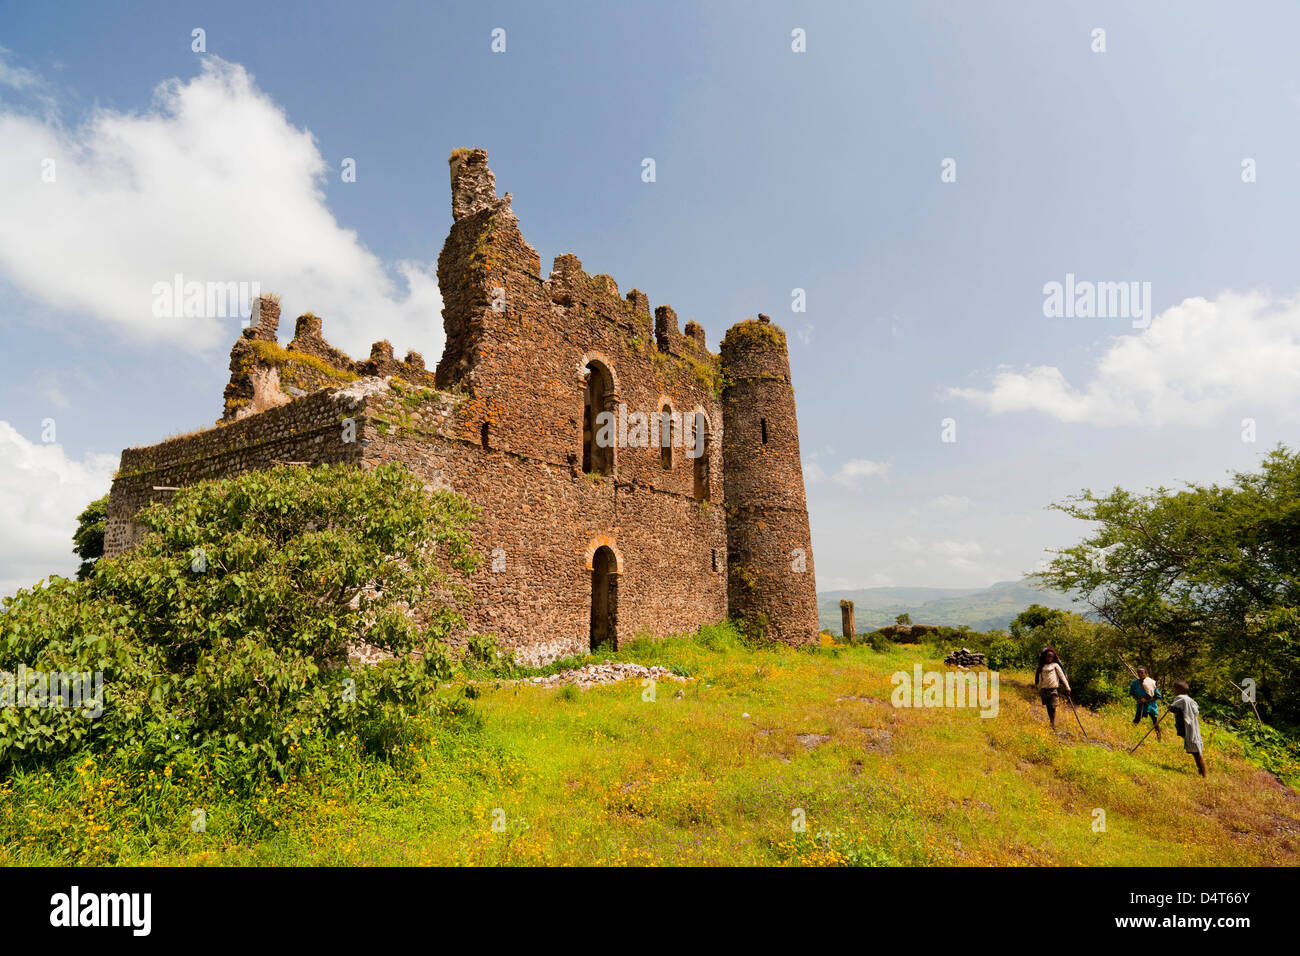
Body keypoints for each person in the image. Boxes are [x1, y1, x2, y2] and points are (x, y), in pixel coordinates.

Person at [1167, 681, 1206, 777]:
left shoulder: (1180, 698)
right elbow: (1194, 711)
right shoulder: (1190, 699)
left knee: (1196, 753)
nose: (1174, 691)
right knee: (1196, 751)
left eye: (1175, 689)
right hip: (1193, 725)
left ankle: (1203, 775)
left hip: (1187, 726)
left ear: (1179, 690)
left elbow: (1174, 708)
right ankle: (1201, 773)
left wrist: (1170, 708)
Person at [1035, 647, 1071, 730]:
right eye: (1048, 656)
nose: (1049, 658)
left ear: (1053, 657)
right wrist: (1039, 688)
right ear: (1045, 657)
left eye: (1051, 656)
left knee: (1053, 706)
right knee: (1048, 706)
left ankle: (1052, 722)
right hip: (1044, 689)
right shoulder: (1042, 667)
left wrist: (1067, 687)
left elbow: (1062, 676)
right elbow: (1040, 678)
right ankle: (1051, 722)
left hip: (1053, 689)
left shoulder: (1055, 666)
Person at [1128, 666, 1162, 741]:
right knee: (1136, 720)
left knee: (1155, 722)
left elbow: (1158, 696)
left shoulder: (1151, 683)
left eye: (1142, 673)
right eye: (1139, 673)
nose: (1140, 674)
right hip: (1140, 705)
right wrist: (1138, 700)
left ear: (1145, 673)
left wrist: (1146, 701)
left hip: (1151, 706)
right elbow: (1132, 693)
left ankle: (1159, 737)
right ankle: (1129, 735)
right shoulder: (1135, 683)